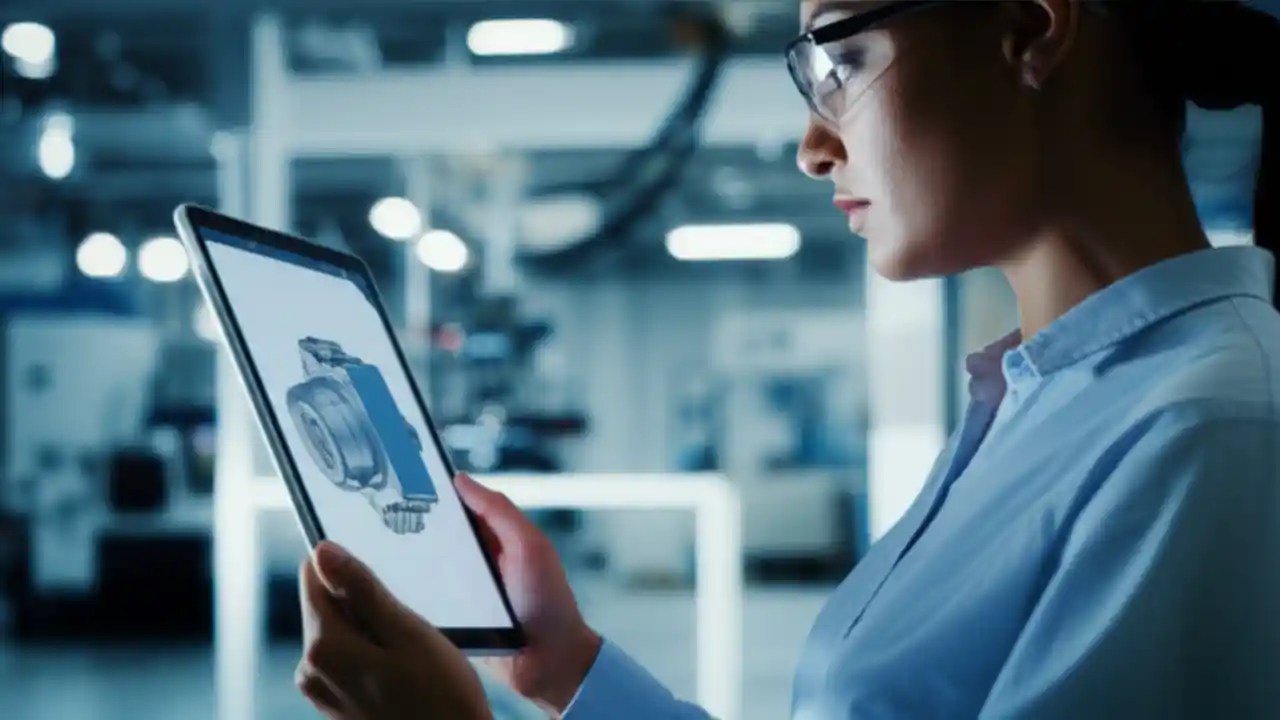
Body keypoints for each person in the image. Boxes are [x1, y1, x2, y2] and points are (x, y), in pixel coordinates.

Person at [293, 0, 1280, 717]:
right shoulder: (1040, 403)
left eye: (841, 60)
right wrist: (567, 668)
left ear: (1027, 29)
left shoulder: (1208, 435)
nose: (812, 145)